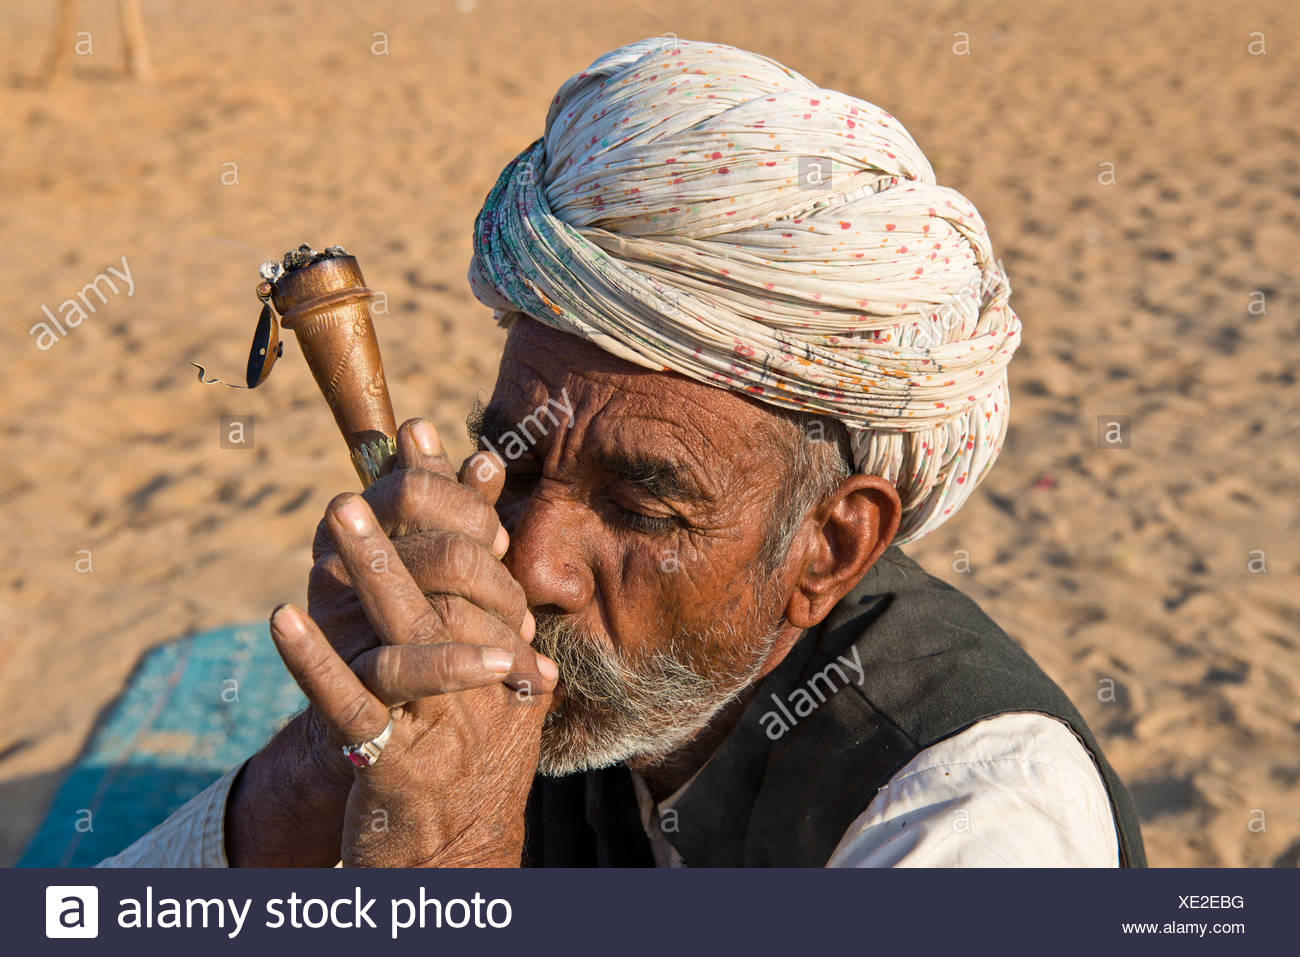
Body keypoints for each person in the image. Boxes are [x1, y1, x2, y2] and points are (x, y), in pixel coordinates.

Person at [100, 38, 1143, 868]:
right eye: (511, 461)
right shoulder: (566, 694)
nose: (532, 565)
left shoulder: (977, 823)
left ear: (828, 546)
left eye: (643, 507)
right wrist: (343, 754)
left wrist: (454, 864)